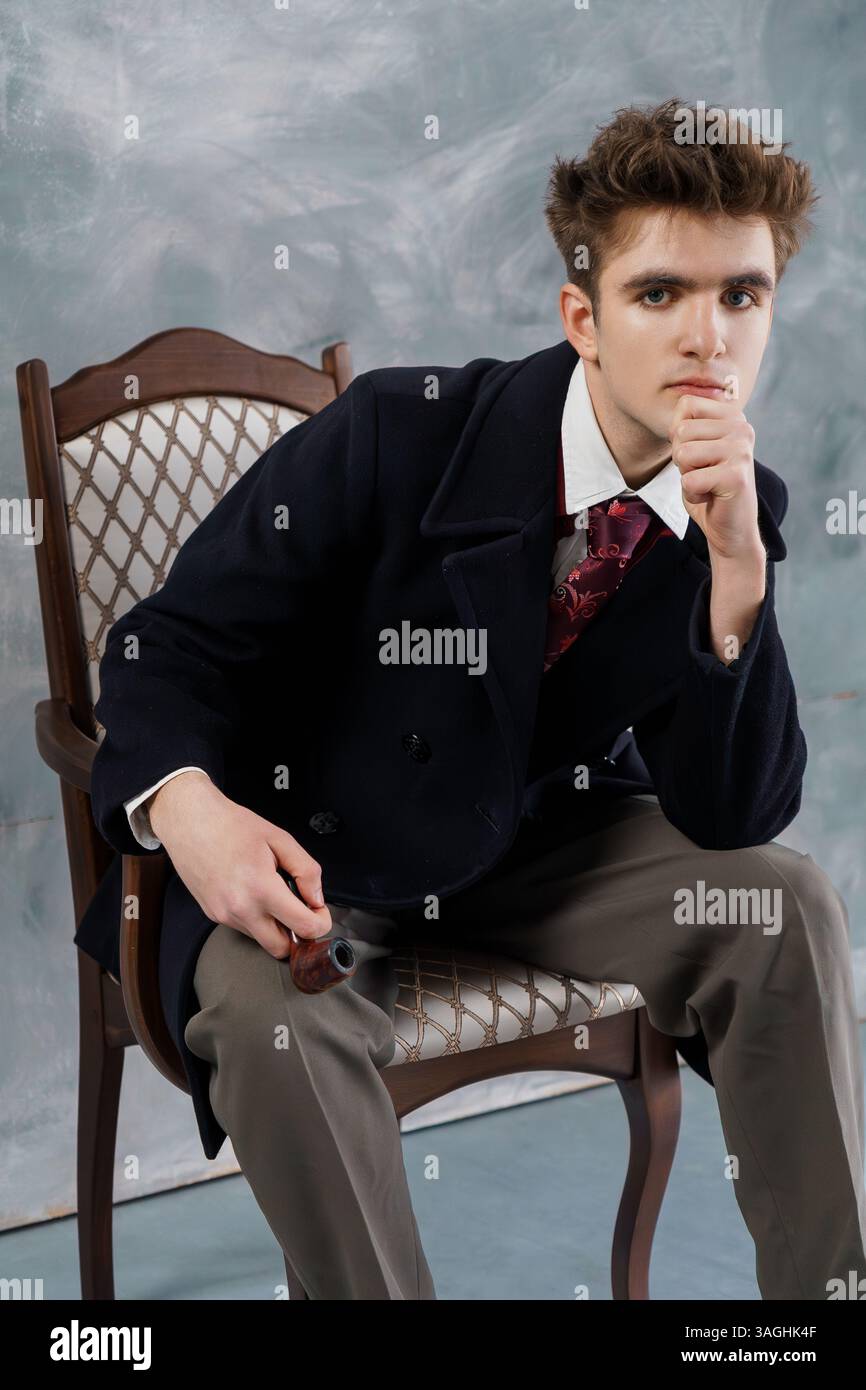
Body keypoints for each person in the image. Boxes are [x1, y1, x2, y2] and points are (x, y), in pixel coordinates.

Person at [75, 97, 866, 1300]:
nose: (707, 336)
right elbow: (160, 649)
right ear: (582, 317)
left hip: (526, 846)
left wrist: (734, 580)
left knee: (782, 904)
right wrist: (193, 813)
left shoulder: (733, 512)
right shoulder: (399, 429)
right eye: (659, 293)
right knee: (274, 1024)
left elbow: (730, 809)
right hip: (299, 849)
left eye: (740, 295)